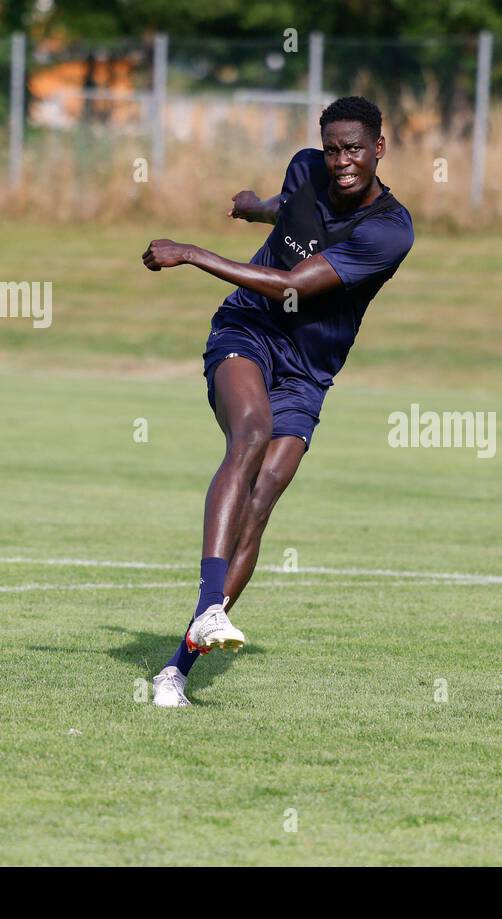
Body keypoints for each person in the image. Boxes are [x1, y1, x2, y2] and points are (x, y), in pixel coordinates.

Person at [141, 96, 414, 706]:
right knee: (250, 435)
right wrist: (253, 209)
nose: (341, 160)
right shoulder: (304, 168)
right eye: (332, 148)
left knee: (261, 501)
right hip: (247, 330)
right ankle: (212, 604)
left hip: (308, 371)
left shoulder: (389, 230)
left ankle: (175, 670)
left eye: (353, 149)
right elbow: (291, 211)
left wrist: (191, 253)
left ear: (379, 148)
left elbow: (294, 282)